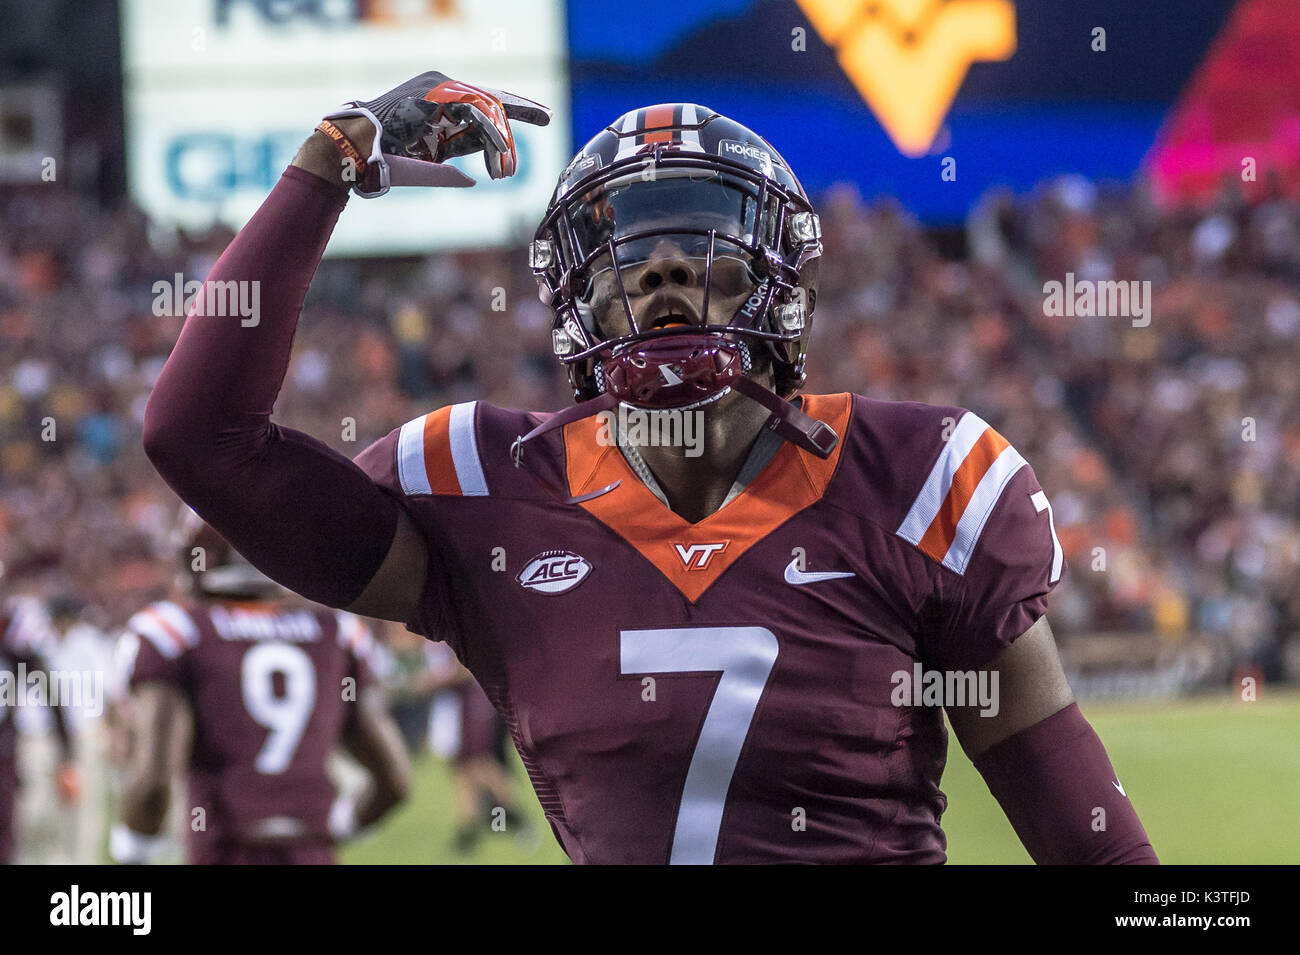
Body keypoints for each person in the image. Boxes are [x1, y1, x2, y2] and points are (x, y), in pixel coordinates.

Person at [143, 72, 1157, 863]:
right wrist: (335, 154)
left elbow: (1088, 840)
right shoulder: (485, 488)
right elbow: (198, 437)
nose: (661, 266)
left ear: (781, 281)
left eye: (699, 238)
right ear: (577, 298)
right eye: (623, 249)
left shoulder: (921, 481)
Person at [111, 512, 410, 864]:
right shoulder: (336, 632)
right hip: (312, 850)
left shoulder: (176, 630)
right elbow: (394, 781)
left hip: (225, 849)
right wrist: (336, 827)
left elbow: (153, 786)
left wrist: (132, 849)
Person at [0, 587, 81, 864]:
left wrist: (65, 748)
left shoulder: (14, 644)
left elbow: (51, 695)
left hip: (7, 750)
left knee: (15, 829)